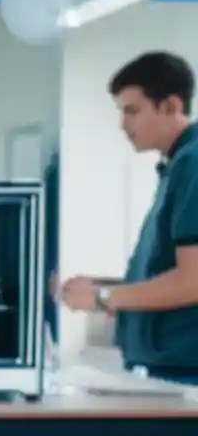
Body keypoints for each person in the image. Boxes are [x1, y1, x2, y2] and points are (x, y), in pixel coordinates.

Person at [61, 52, 198, 384]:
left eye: (132, 111)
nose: (123, 125)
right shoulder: (175, 166)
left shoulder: (193, 164)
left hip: (185, 375)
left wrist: (102, 298)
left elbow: (192, 281)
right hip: (165, 369)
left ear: (171, 107)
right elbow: (168, 272)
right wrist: (103, 288)